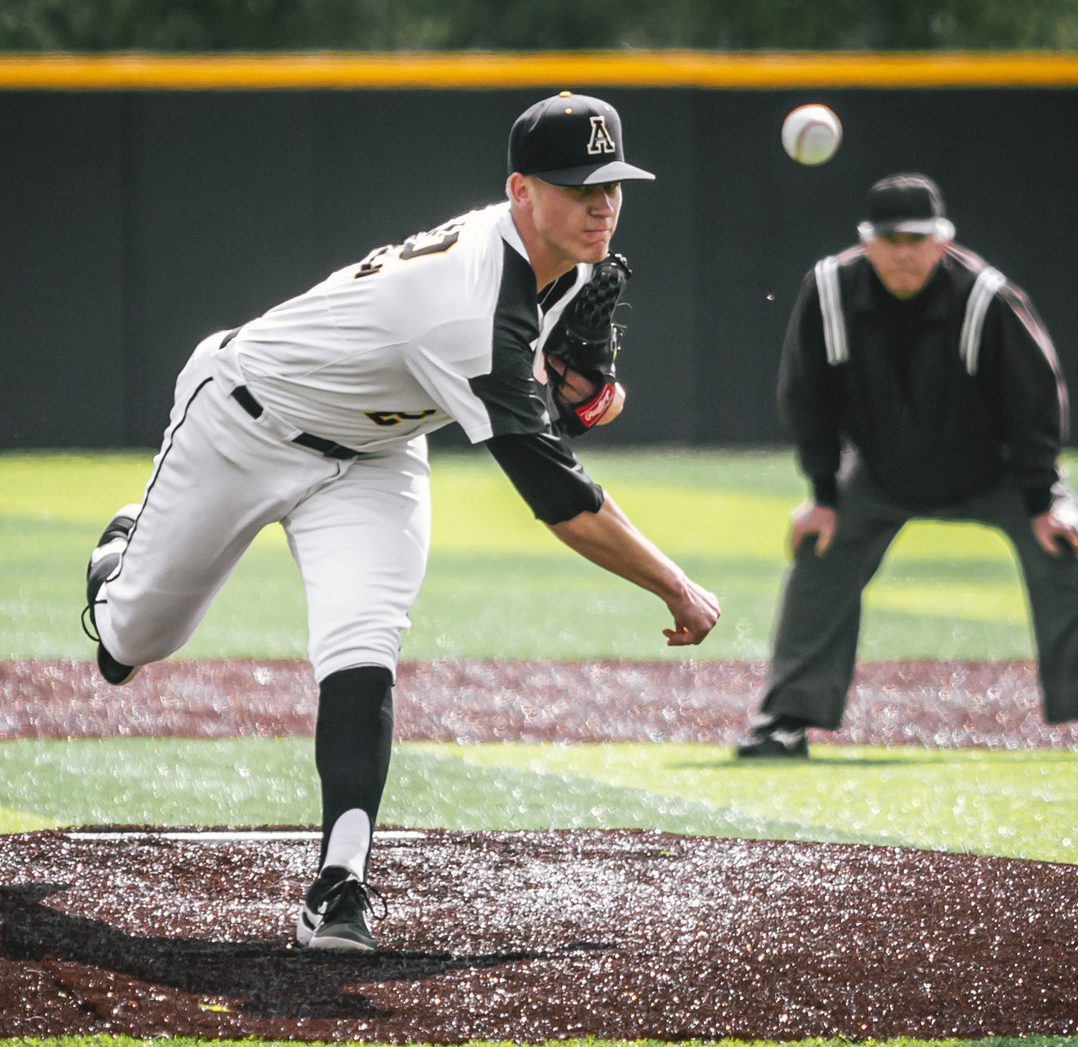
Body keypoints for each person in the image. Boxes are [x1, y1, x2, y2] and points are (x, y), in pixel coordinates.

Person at [83, 92, 721, 954]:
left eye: (611, 184)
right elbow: (560, 500)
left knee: (363, 636)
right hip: (244, 422)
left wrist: (574, 388)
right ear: (521, 190)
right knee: (132, 643)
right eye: (577, 186)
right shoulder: (467, 304)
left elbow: (547, 378)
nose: (601, 204)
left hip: (376, 454)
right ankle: (119, 557)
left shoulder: (563, 265)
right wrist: (675, 586)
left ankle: (340, 882)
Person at [737, 173, 1078, 762]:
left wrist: (1044, 500)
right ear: (867, 242)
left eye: (918, 239)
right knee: (820, 548)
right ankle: (784, 719)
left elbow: (1035, 400)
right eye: (891, 239)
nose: (904, 253)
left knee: (1062, 545)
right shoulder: (829, 290)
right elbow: (806, 396)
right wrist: (823, 495)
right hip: (882, 473)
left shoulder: (985, 297)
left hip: (997, 472)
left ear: (942, 241)